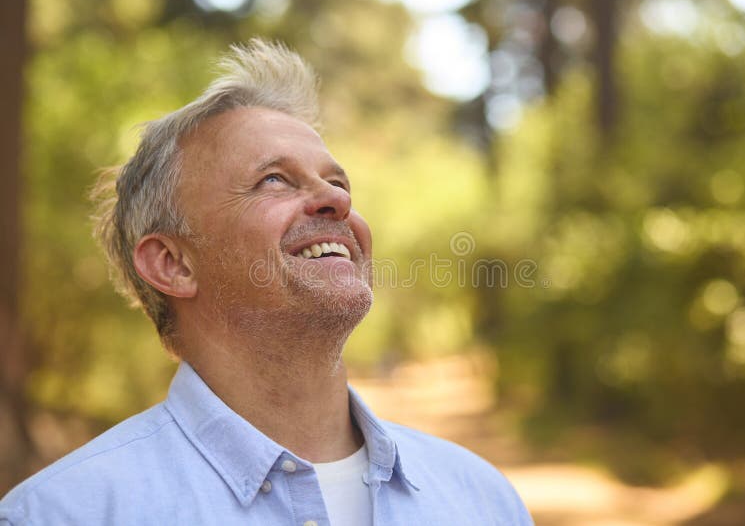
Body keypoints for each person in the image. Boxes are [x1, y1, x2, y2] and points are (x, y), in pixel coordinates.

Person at [0, 39, 533, 526]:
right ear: (174, 264)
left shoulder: (485, 501)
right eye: (274, 179)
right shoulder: (59, 514)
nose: (339, 201)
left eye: (337, 181)